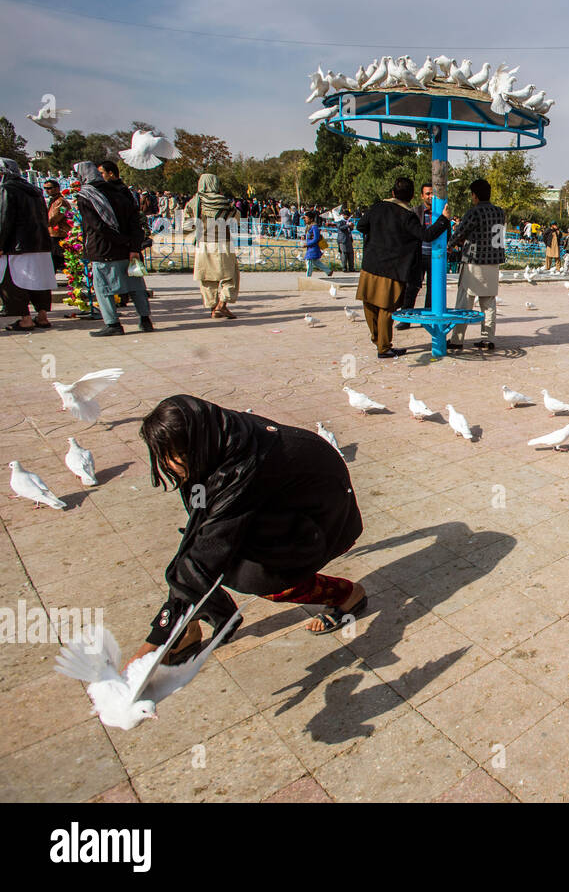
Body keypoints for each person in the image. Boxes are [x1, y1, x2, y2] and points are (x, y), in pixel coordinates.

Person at [125, 395, 369, 666]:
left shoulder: (241, 469)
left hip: (321, 510)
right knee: (203, 545)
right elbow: (199, 539)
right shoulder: (218, 434)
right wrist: (172, 621)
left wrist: (155, 641)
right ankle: (187, 627)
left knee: (262, 575)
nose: (169, 465)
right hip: (283, 497)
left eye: (174, 456)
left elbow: (206, 553)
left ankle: (346, 595)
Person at [355, 177, 450, 359]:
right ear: (413, 195)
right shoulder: (407, 216)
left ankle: (377, 339)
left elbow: (361, 225)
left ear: (392, 193)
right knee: (386, 307)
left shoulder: (377, 207)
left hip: (370, 264)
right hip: (392, 268)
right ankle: (383, 347)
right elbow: (426, 235)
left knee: (369, 303)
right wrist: (444, 220)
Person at [78, 160, 152, 336]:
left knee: (103, 288)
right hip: (130, 250)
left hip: (104, 249)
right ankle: (145, 320)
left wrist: (121, 241)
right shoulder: (122, 192)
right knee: (137, 285)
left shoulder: (87, 196)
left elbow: (98, 226)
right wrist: (132, 244)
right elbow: (136, 220)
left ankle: (112, 323)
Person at [446, 177, 506, 352]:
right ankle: (488, 339)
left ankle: (457, 339)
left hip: (474, 261)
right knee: (488, 303)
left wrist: (450, 246)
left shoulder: (474, 212)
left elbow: (460, 232)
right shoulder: (500, 212)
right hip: (493, 262)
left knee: (465, 301)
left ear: (475, 195)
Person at [0, 158, 56, 330]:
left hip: (18, 246)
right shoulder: (36, 190)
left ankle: (25, 319)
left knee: (11, 282)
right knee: (39, 281)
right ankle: (42, 316)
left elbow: (4, 218)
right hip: (40, 243)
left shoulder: (7, 189)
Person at [184, 173, 240, 319]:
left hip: (203, 243)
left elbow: (186, 224)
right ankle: (222, 305)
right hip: (223, 242)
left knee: (208, 278)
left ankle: (214, 308)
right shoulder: (223, 201)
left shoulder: (195, 201)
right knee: (230, 275)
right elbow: (236, 218)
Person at [398, 182, 436, 323]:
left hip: (435, 257)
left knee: (433, 290)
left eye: (432, 193)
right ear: (421, 196)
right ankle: (406, 318)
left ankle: (427, 318)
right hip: (418, 256)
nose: (430, 196)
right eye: (427, 193)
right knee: (412, 287)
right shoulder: (414, 213)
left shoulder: (440, 213)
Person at [302, 212, 332, 277]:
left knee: (309, 262)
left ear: (311, 219)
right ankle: (328, 271)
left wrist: (307, 244)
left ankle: (308, 277)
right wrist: (304, 236)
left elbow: (316, 238)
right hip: (310, 248)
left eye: (306, 218)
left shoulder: (314, 227)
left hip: (313, 248)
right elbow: (309, 235)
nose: (305, 220)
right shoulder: (309, 226)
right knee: (316, 262)